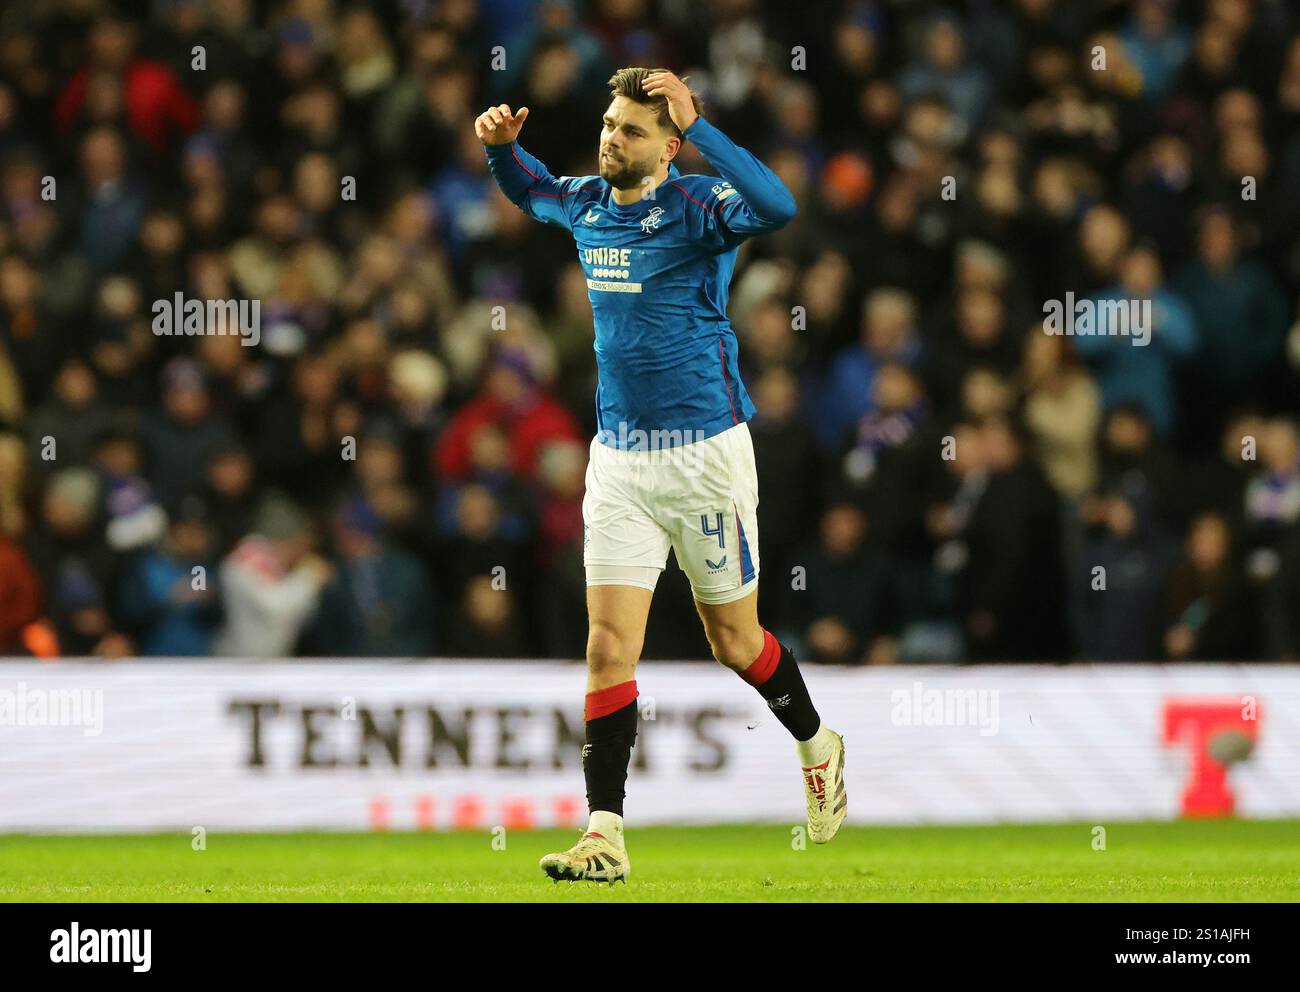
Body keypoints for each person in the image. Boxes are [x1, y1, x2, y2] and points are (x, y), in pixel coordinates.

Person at [476, 68, 846, 885]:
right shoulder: (584, 203)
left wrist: (704, 124)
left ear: (670, 147)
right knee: (607, 647)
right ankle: (604, 834)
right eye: (610, 124)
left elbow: (780, 207)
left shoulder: (700, 209)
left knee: (733, 642)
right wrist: (505, 151)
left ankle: (817, 742)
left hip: (705, 456)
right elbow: (531, 189)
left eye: (633, 130)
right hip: (618, 461)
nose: (613, 137)